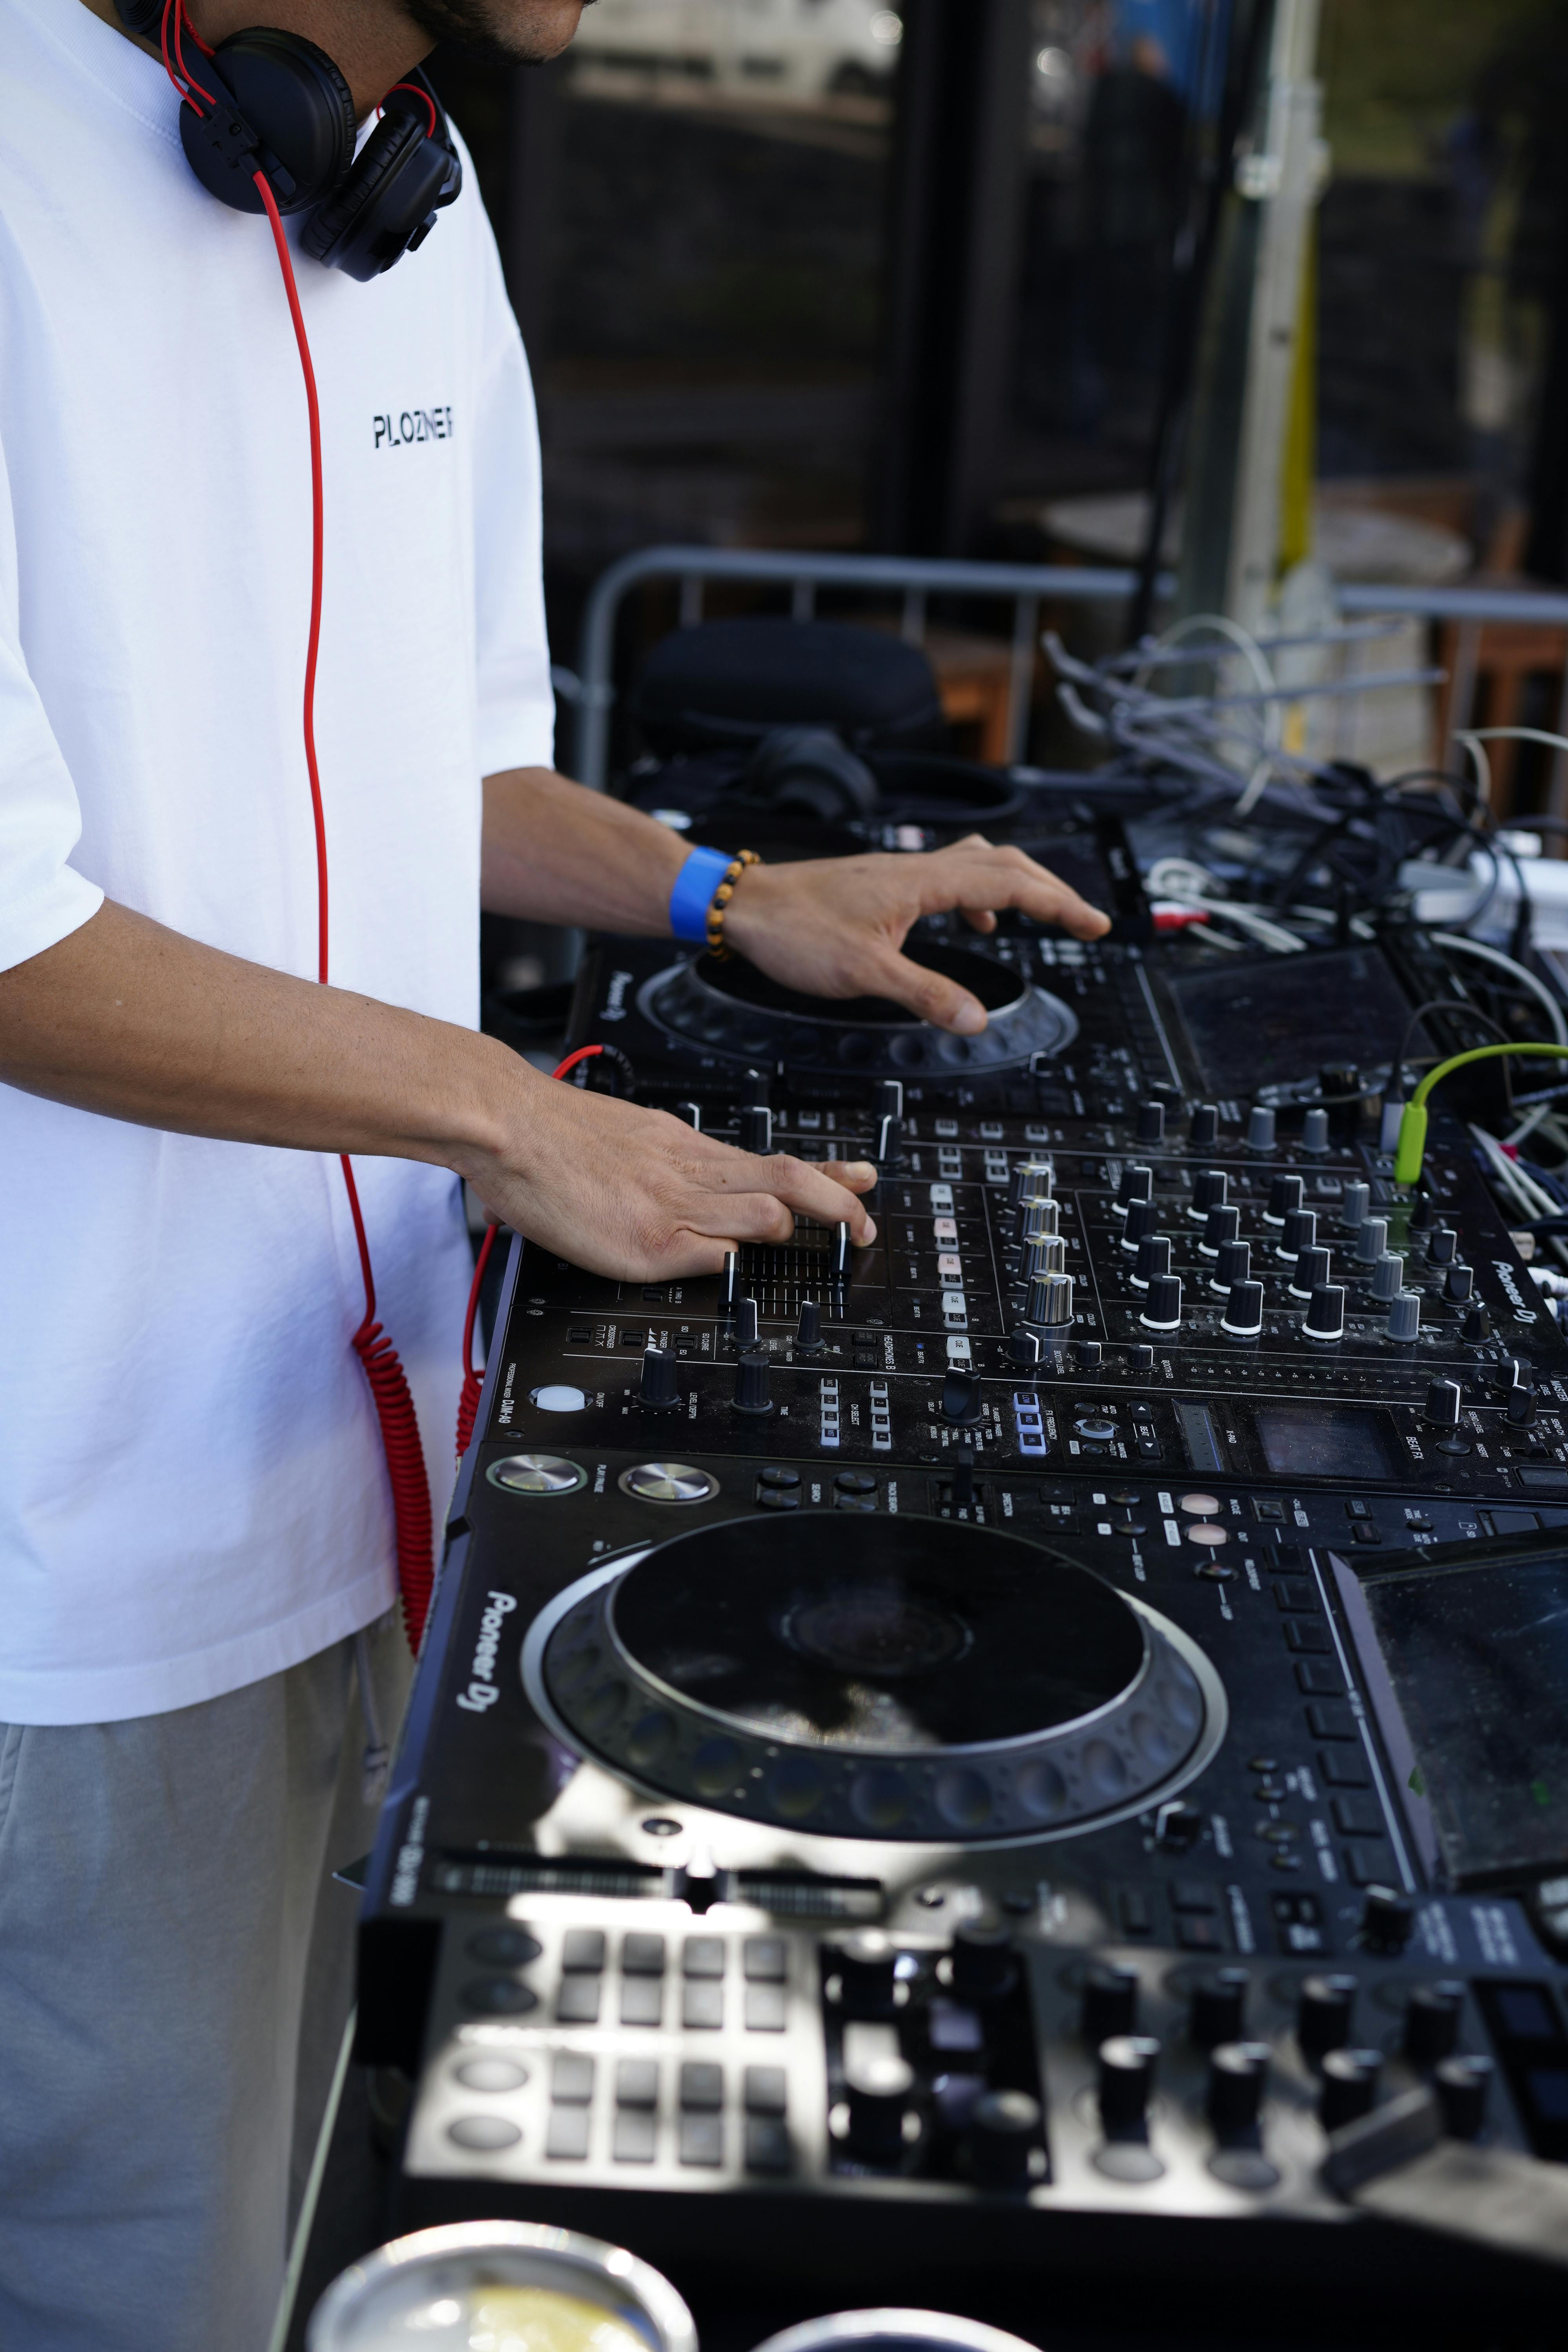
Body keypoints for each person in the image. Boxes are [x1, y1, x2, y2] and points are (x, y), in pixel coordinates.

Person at [0, 0, 1109, 2344]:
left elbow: (452, 767)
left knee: (304, 2204)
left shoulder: (419, 194)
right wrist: (520, 1115)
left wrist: (735, 894)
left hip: (381, 1459)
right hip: (73, 1571)